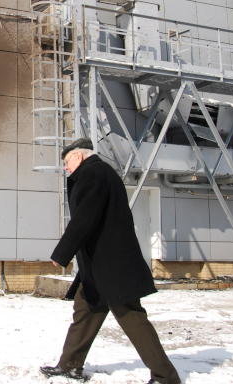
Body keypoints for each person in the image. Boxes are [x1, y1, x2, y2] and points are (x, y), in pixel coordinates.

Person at [39, 138, 180, 384]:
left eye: (67, 161)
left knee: (131, 316)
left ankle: (165, 376)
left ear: (79, 156)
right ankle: (70, 365)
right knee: (85, 312)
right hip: (99, 266)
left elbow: (84, 218)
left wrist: (62, 253)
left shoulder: (93, 173)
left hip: (112, 266)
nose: (65, 167)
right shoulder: (98, 173)